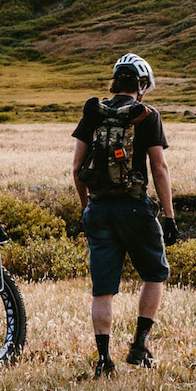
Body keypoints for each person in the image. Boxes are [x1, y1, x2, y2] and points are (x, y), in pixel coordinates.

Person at [72, 52, 178, 374]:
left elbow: (77, 169)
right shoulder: (147, 114)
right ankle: (139, 344)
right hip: (135, 208)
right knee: (155, 273)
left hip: (99, 209)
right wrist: (170, 217)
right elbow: (159, 168)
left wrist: (86, 206)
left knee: (102, 289)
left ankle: (104, 360)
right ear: (142, 85)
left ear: (115, 81)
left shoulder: (94, 112)